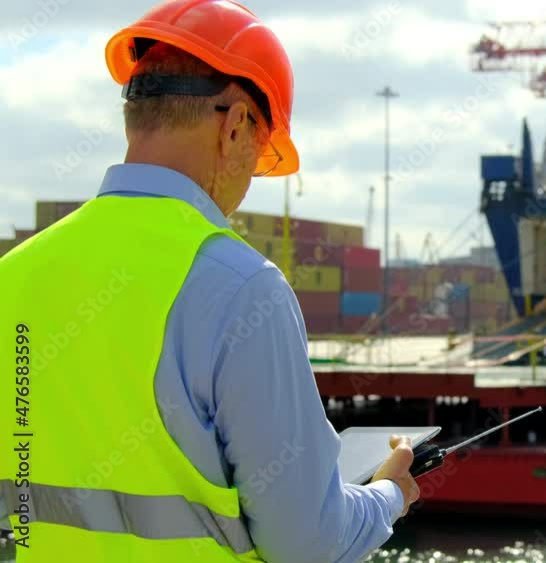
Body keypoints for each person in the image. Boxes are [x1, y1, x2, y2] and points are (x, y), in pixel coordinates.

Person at [0, 1, 418, 561]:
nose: (251, 177)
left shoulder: (16, 275)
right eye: (261, 156)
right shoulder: (243, 287)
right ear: (237, 125)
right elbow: (307, 544)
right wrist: (386, 496)